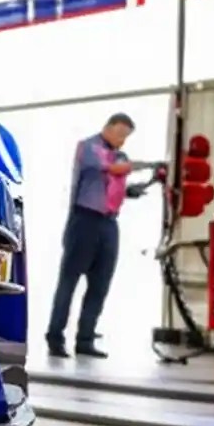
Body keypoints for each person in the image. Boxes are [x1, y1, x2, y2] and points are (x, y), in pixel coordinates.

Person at [46, 113, 156, 358]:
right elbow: (113, 169)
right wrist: (147, 165)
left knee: (100, 284)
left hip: (108, 223)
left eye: (126, 137)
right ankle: (55, 337)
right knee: (69, 281)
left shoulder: (121, 154)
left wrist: (133, 190)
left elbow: (112, 184)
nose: (122, 140)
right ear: (108, 127)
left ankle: (85, 339)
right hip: (84, 220)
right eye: (120, 134)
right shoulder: (88, 147)